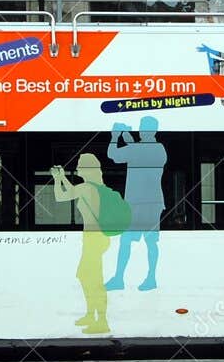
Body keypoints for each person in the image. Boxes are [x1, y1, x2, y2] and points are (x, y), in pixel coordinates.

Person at [51, 156, 112, 335]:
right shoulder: (95, 188)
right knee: (87, 277)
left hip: (93, 238)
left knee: (93, 279)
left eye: (79, 167)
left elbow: (61, 196)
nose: (77, 170)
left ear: (87, 169)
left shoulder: (86, 188)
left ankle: (101, 321)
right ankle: (91, 314)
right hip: (96, 237)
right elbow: (72, 190)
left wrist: (57, 179)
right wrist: (62, 177)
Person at [105, 117, 166, 292]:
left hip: (135, 203)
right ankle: (152, 277)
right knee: (151, 242)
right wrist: (127, 137)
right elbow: (137, 152)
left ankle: (118, 279)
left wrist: (115, 136)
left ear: (143, 130)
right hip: (153, 202)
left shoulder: (135, 148)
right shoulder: (160, 149)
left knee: (125, 241)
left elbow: (113, 155)